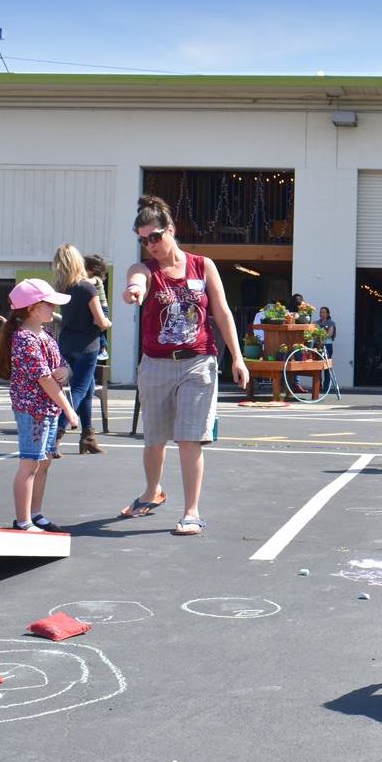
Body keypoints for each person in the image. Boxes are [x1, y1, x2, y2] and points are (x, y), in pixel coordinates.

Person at [119, 195, 250, 536]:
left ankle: (191, 512)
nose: (150, 245)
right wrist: (133, 290)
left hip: (198, 362)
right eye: (143, 240)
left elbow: (222, 312)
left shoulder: (202, 266)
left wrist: (237, 357)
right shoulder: (144, 269)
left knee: (190, 438)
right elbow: (136, 281)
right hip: (156, 364)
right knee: (154, 439)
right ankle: (152, 491)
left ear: (171, 230)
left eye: (155, 237)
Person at [0, 278, 79, 532]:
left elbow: (60, 367)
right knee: (30, 463)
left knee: (44, 462)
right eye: (49, 304)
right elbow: (44, 378)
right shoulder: (24, 339)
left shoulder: (46, 335)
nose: (54, 308)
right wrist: (69, 410)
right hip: (33, 410)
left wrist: (66, 371)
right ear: (32, 307)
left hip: (48, 409)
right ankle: (23, 521)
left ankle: (35, 514)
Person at [54, 244, 113, 454]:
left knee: (87, 389)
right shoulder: (87, 288)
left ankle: (88, 436)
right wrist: (108, 323)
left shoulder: (62, 288)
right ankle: (57, 432)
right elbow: (100, 321)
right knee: (79, 389)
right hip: (88, 344)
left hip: (66, 342)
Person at [83, 253, 111, 363]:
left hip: (102, 308)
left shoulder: (96, 279)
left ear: (92, 270)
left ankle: (103, 349)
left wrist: (78, 279)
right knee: (95, 329)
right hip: (95, 307)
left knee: (99, 329)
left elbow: (87, 282)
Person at [317, 306, 336, 392]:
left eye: (324, 312)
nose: (322, 314)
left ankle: (326, 386)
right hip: (318, 345)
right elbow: (315, 334)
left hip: (327, 346)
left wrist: (320, 333)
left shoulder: (331, 323)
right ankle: (318, 385)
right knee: (318, 366)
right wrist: (322, 332)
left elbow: (330, 334)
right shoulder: (316, 322)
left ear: (327, 314)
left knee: (326, 366)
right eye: (321, 312)